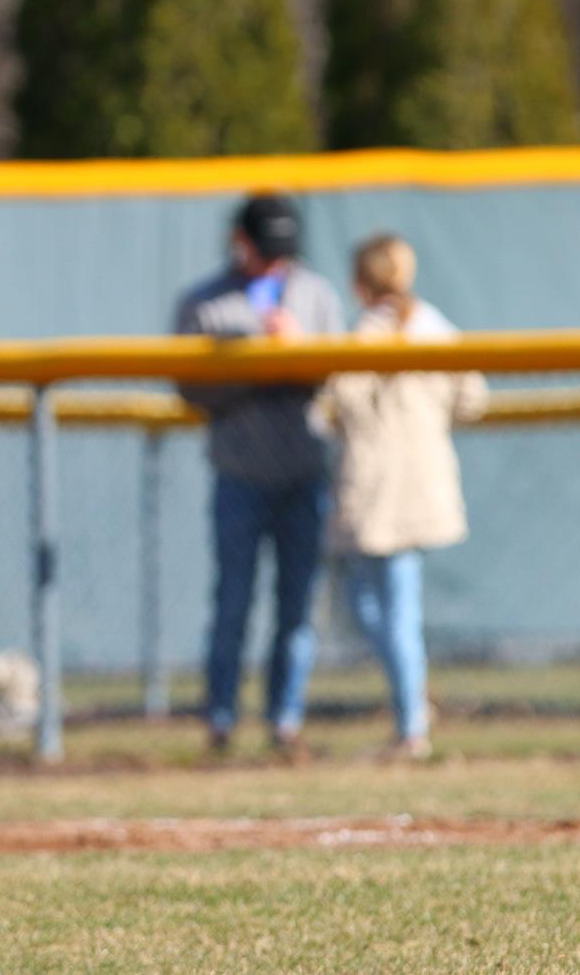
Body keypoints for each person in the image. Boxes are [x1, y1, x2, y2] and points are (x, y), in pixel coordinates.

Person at [173, 193, 344, 758]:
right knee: (232, 603)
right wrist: (251, 363)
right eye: (263, 250)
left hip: (304, 476)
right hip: (240, 475)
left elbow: (337, 377)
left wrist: (296, 353)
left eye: (281, 253)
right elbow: (190, 390)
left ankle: (284, 721)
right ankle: (220, 719)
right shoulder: (204, 303)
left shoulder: (316, 295)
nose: (273, 263)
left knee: (297, 609)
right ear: (239, 242)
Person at [319, 233, 486, 759]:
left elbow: (331, 410)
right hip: (423, 479)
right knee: (382, 606)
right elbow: (472, 399)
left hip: (377, 485)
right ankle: (411, 704)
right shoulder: (435, 325)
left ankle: (412, 724)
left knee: (384, 608)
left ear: (360, 283)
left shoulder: (367, 334)